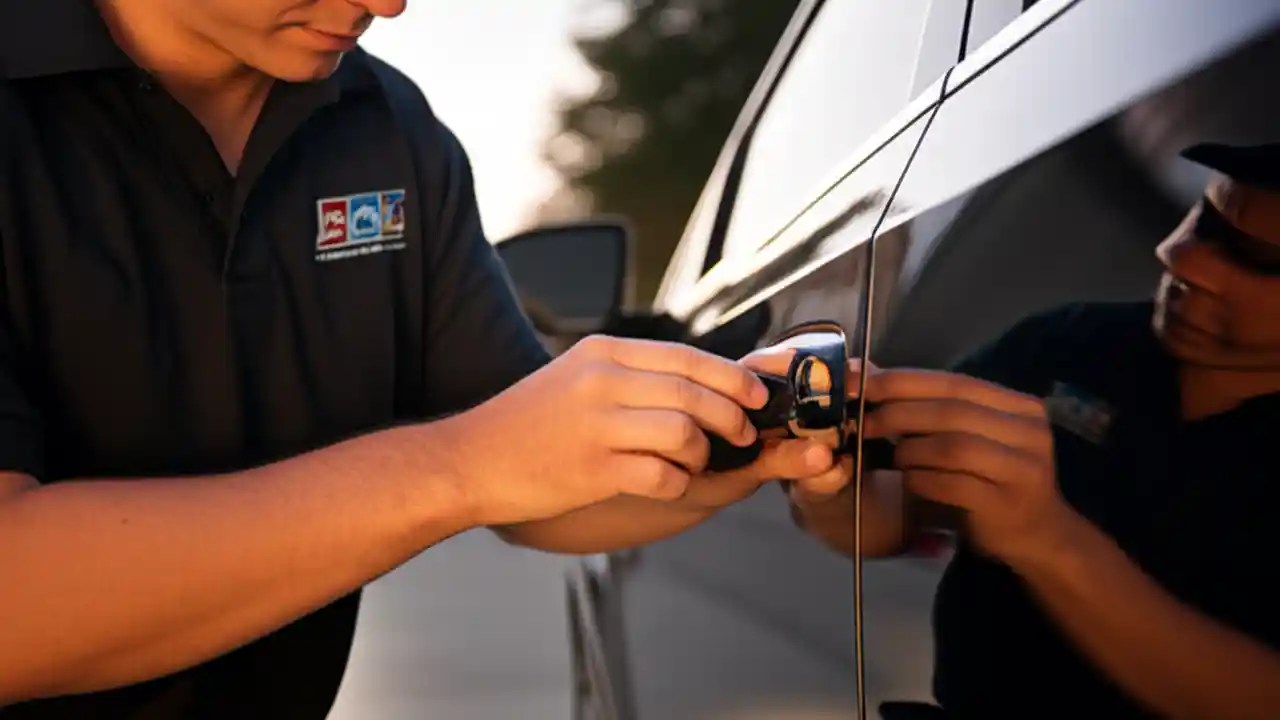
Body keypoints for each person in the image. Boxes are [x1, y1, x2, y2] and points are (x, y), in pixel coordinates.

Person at [0, 2, 840, 716]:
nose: (392, 3)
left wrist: (747, 436)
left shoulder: (387, 130)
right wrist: (458, 465)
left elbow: (536, 484)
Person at [773, 142, 1280, 718]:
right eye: (1204, 221)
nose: (1178, 256)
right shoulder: (1072, 343)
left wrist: (1047, 539)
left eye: (1252, 256)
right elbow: (896, 509)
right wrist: (831, 482)